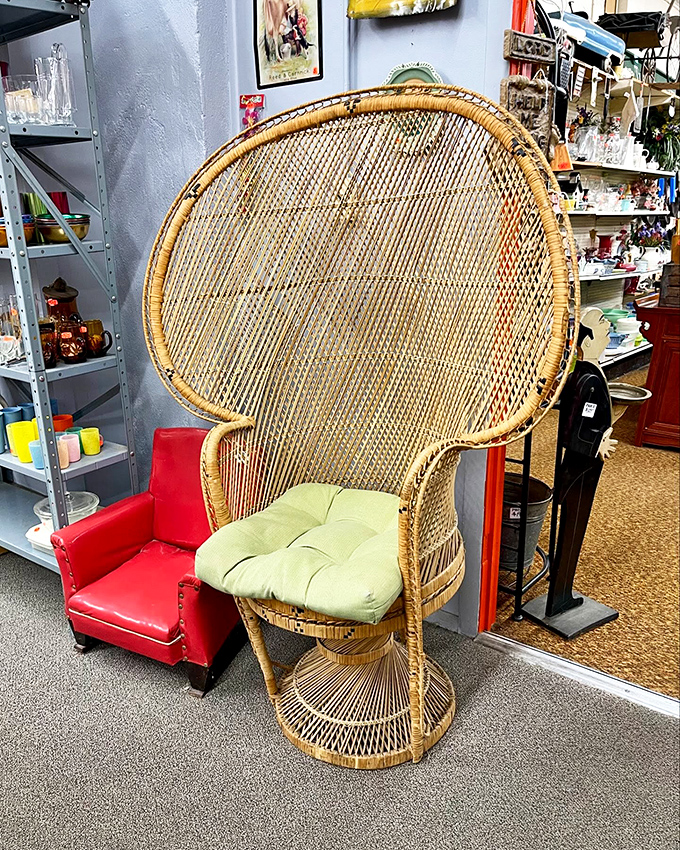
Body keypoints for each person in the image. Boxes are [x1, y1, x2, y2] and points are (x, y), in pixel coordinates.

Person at [545, 307, 617, 617]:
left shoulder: (588, 374)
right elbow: (572, 430)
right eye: (602, 330)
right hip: (579, 470)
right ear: (586, 343)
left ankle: (561, 588)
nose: (608, 332)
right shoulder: (586, 381)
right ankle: (560, 595)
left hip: (582, 468)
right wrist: (596, 442)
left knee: (573, 529)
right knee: (572, 530)